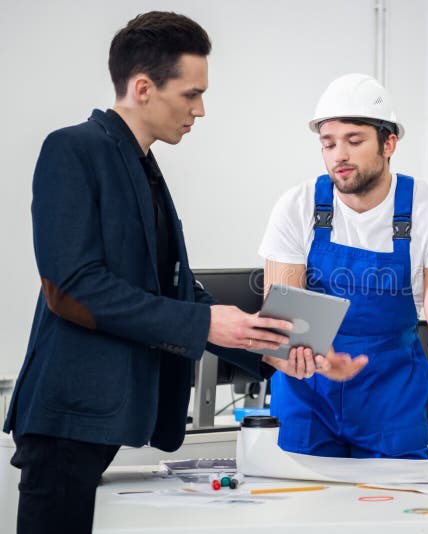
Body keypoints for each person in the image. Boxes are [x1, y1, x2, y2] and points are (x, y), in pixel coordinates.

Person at [2, 12, 362, 534]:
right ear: (143, 88)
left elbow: (175, 290)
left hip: (103, 421)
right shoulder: (73, 149)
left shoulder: (141, 165)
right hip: (67, 417)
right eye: (191, 94)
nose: (200, 110)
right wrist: (205, 324)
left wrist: (272, 348)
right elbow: (72, 288)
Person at [258, 73, 428, 459]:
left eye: (354, 141)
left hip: (392, 401)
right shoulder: (297, 206)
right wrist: (303, 358)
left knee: (398, 496)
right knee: (299, 494)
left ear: (389, 144)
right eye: (328, 143)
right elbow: (280, 334)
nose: (339, 155)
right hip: (307, 400)